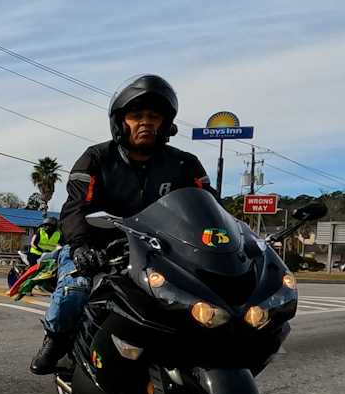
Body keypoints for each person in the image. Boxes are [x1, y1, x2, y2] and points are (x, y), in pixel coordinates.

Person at [30, 74, 215, 374]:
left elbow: (209, 206)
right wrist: (81, 246)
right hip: (100, 247)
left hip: (163, 253)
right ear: (121, 121)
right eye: (136, 115)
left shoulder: (185, 164)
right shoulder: (96, 158)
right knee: (74, 290)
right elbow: (75, 208)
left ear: (165, 123)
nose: (145, 122)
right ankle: (56, 340)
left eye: (153, 116)